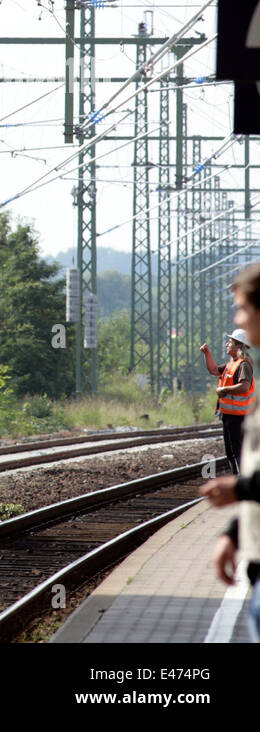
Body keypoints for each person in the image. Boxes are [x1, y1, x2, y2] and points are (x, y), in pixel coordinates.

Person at [200, 263, 260, 641]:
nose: (238, 318)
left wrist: (239, 490)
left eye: (242, 309)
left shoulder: (246, 367)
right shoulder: (234, 363)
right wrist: (235, 534)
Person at [200, 327, 254, 474]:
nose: (227, 345)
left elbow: (244, 386)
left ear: (238, 345)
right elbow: (214, 370)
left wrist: (223, 390)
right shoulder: (231, 364)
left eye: (230, 342)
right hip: (229, 415)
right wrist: (207, 354)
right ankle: (238, 480)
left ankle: (242, 482)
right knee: (231, 452)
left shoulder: (244, 365)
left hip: (238, 417)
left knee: (237, 452)